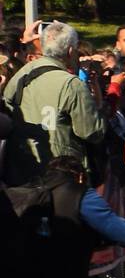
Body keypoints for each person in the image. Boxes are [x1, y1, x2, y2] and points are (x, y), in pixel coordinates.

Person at [2, 21, 105, 187]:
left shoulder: (21, 75)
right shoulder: (71, 84)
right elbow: (90, 132)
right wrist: (100, 110)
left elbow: (7, 111)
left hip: (21, 170)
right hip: (60, 175)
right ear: (71, 51)